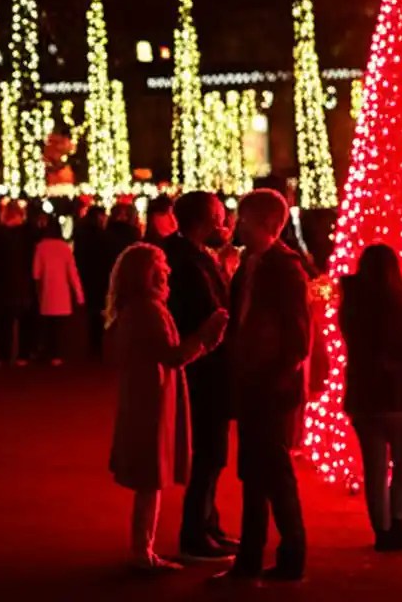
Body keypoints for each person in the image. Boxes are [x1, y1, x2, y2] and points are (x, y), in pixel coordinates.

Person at [107, 244, 228, 572]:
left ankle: (143, 548)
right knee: (151, 477)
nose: (166, 273)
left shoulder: (137, 307)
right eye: (158, 268)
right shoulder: (148, 309)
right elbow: (173, 354)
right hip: (151, 398)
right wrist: (206, 335)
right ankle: (142, 552)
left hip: (145, 394)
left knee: (150, 477)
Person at [219, 190, 311, 582]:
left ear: (257, 222)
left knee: (271, 472)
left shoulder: (282, 267)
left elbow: (297, 335)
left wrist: (274, 376)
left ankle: (287, 556)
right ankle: (254, 559)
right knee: (257, 474)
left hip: (268, 385)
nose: (235, 224)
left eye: (241, 217)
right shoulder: (256, 262)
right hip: (256, 380)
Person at [339, 244, 402, 552]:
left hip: (365, 394)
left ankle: (382, 529)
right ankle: (397, 523)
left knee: (375, 467)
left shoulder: (353, 301)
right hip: (400, 394)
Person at [160, 192, 239, 561]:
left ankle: (208, 524)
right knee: (210, 452)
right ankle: (195, 533)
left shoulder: (190, 255)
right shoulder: (188, 262)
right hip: (205, 368)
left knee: (212, 452)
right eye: (221, 218)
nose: (225, 226)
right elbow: (213, 313)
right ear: (207, 219)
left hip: (206, 366)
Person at [33, 216, 84, 367]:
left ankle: (48, 351)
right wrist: (79, 294)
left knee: (48, 325)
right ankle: (58, 354)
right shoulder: (64, 248)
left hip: (46, 290)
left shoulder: (41, 247)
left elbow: (36, 272)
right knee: (60, 326)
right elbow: (72, 272)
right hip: (63, 291)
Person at [0, 201, 36, 366]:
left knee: (3, 321)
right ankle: (23, 354)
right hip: (23, 282)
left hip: (2, 284)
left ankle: (3, 355)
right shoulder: (27, 235)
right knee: (25, 320)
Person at [73, 206, 111, 351]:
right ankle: (98, 342)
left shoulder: (81, 233)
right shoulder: (102, 235)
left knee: (92, 310)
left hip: (87, 274)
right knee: (100, 309)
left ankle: (93, 342)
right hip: (100, 274)